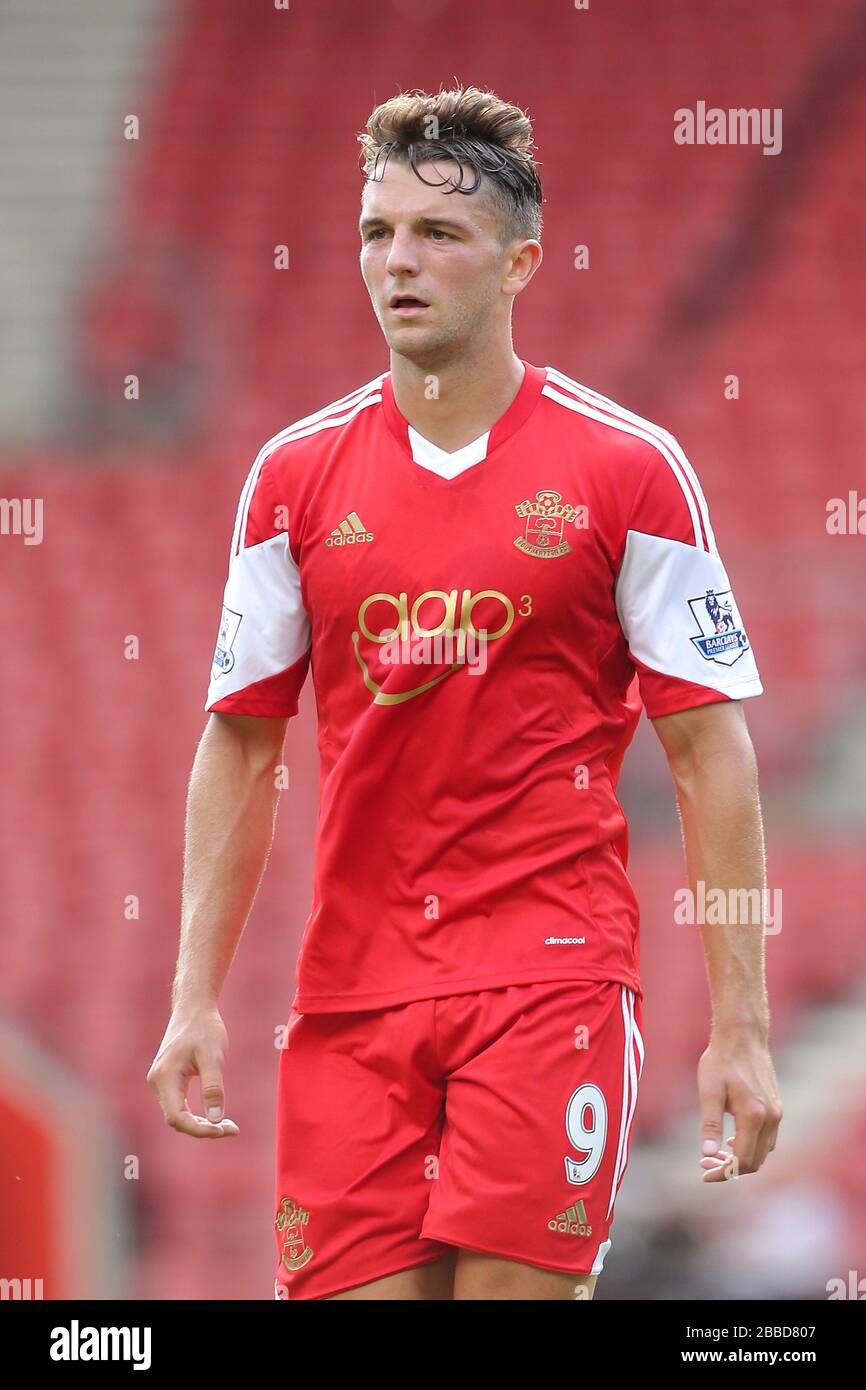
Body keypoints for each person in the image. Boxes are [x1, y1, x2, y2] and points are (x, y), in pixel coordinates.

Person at [147, 85, 782, 1301]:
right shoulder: (290, 479)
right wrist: (193, 997)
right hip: (350, 995)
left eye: (438, 235)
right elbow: (239, 744)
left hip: (549, 971)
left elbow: (709, 752)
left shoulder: (628, 469)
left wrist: (740, 1026)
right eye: (377, 232)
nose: (399, 261)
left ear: (519, 261)